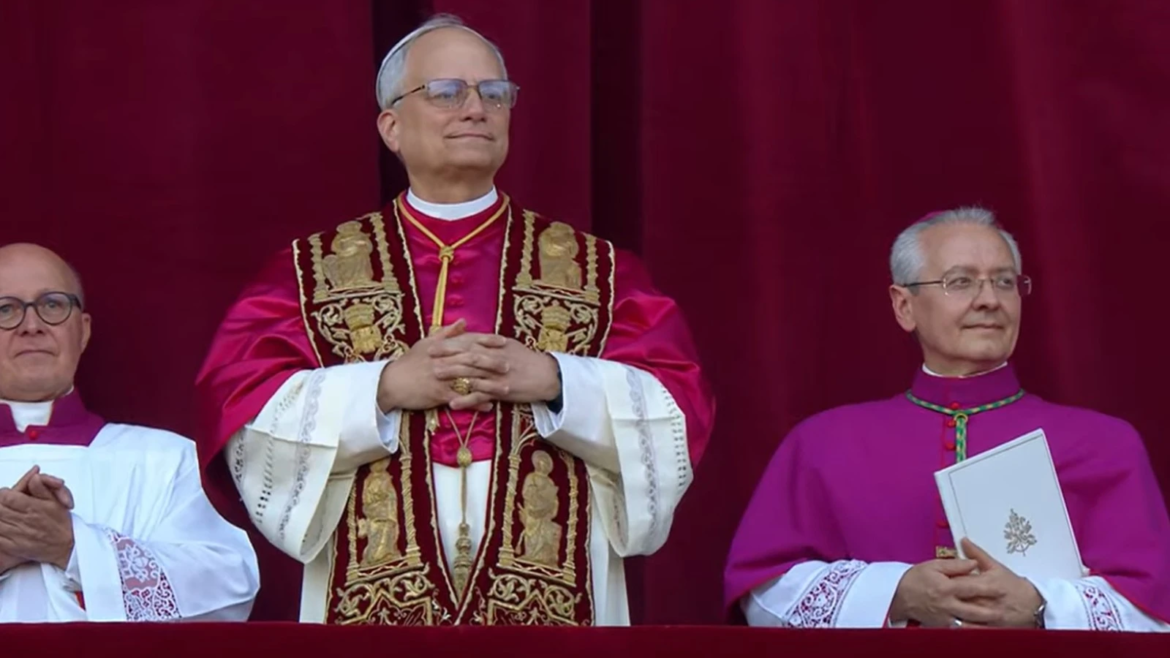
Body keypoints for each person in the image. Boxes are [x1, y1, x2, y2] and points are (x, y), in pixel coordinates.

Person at [195, 14, 714, 625]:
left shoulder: (596, 270)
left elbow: (678, 406)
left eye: (493, 93)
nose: (476, 109)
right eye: (447, 92)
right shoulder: (311, 273)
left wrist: (556, 381)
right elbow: (241, 410)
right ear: (391, 125)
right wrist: (384, 389)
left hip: (554, 580)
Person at [724, 207, 1170, 631]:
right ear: (904, 306)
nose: (989, 300)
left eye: (1004, 281)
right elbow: (763, 594)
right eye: (961, 282)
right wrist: (896, 592)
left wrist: (1039, 604)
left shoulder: (1105, 444)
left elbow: (1155, 611)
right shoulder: (823, 444)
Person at [0, 243, 259, 622]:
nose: (32, 325)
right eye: (5, 309)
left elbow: (229, 588)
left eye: (52, 304)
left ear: (83, 331)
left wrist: (75, 548)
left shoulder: (168, 460)